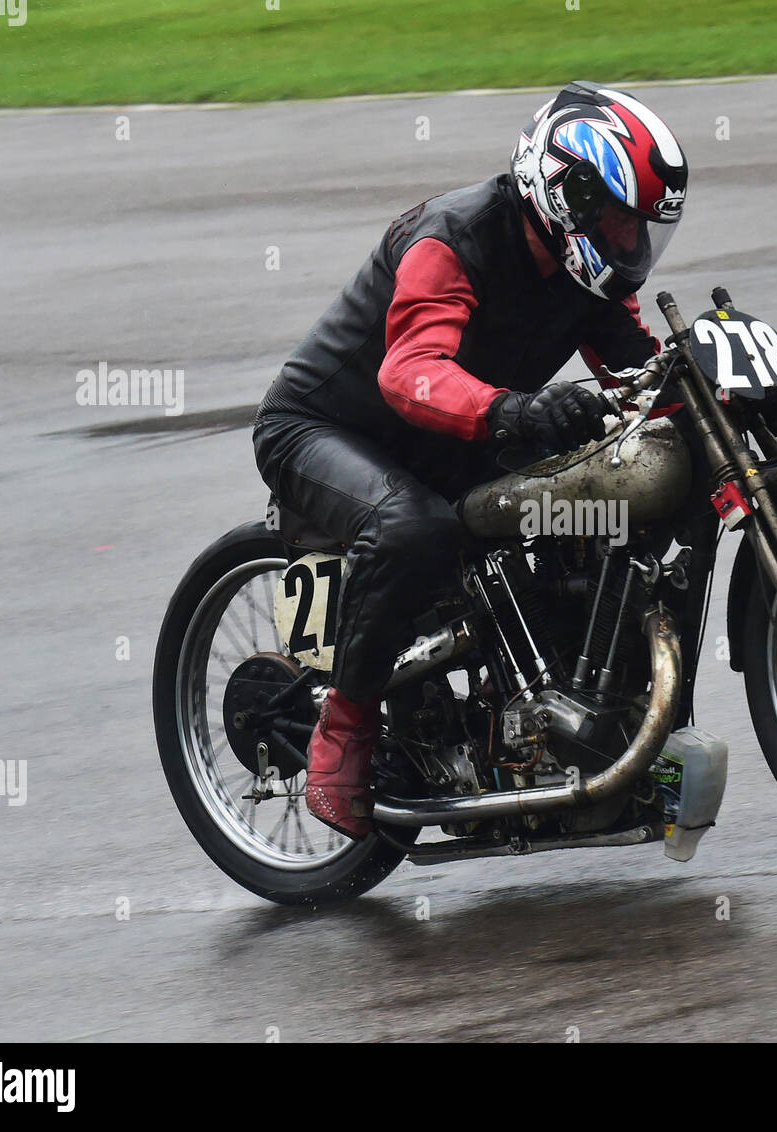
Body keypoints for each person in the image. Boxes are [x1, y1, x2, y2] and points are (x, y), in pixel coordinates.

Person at [252, 80, 689, 840]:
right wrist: (510, 411)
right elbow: (408, 371)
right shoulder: (451, 239)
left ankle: (537, 726)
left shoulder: (585, 274)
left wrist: (728, 395)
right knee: (412, 529)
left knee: (576, 506)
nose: (629, 244)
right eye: (618, 222)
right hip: (325, 428)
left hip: (449, 437)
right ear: (567, 195)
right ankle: (342, 733)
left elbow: (641, 369)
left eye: (638, 228)